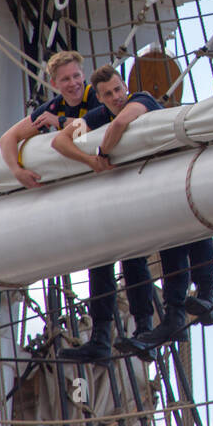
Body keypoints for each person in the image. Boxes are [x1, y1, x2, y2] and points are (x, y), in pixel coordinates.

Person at [49, 70, 157, 362]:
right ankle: (100, 338)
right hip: (108, 198)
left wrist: (102, 153)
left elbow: (122, 123)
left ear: (125, 86)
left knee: (134, 261)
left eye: (118, 90)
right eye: (108, 94)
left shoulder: (140, 100)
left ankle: (145, 331)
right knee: (100, 264)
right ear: (99, 97)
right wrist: (91, 162)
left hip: (137, 193)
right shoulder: (98, 116)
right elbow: (59, 141)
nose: (116, 97)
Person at [0, 50, 97, 189]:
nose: (73, 83)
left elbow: (96, 124)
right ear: (54, 83)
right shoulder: (55, 106)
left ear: (83, 75)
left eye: (76, 76)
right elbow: (8, 138)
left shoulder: (98, 96)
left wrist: (59, 121)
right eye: (65, 79)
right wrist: (17, 171)